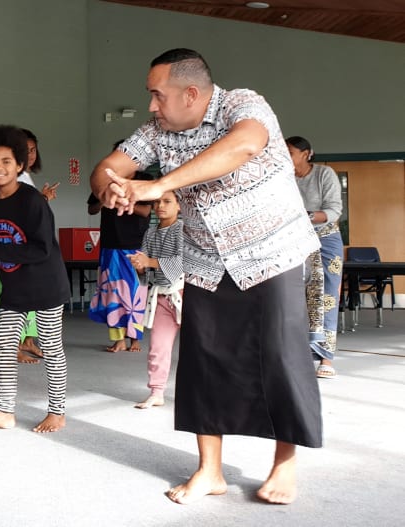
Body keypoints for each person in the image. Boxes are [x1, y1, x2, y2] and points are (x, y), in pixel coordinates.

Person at [92, 48, 321, 505]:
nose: (152, 106)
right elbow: (110, 166)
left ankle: (284, 464)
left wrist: (159, 185)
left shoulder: (244, 104)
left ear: (191, 93)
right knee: (203, 361)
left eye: (157, 95)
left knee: (279, 355)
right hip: (205, 260)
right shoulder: (156, 132)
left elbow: (244, 145)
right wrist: (112, 186)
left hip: (272, 251)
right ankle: (209, 470)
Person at [0, 125, 71, 434]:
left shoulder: (33, 202)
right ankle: (5, 412)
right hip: (14, 285)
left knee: (51, 347)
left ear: (20, 165)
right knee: (4, 344)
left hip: (47, 284)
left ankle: (58, 412)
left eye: (7, 162)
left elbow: (40, 249)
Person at [0, 129, 58, 363]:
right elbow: (17, 212)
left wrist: (42, 199)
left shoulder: (26, 177)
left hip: (29, 248)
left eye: (33, 149)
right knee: (16, 297)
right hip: (14, 247)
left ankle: (28, 341)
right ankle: (15, 347)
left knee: (30, 296)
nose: (30, 154)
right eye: (25, 149)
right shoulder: (11, 176)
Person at [286, 136, 343, 379]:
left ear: (306, 153)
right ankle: (299, 355)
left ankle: (326, 359)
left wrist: (304, 216)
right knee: (295, 296)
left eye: (289, 151)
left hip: (326, 240)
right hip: (294, 240)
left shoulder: (324, 174)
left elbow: (333, 210)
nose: (285, 156)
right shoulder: (283, 178)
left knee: (327, 296)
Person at [87, 143, 152, 354]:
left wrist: (120, 202)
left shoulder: (145, 180)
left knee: (136, 293)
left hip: (136, 246)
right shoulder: (105, 180)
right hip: (110, 245)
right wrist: (104, 199)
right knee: (113, 294)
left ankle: (134, 338)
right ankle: (118, 339)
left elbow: (145, 211)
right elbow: (91, 208)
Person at [127, 191, 183, 409]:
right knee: (158, 347)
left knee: (197, 349)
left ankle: (203, 392)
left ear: (179, 206)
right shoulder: (150, 233)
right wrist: (140, 266)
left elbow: (181, 262)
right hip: (160, 295)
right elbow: (145, 269)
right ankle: (157, 391)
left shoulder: (182, 230)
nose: (161, 205)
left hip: (186, 292)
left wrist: (148, 261)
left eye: (167, 201)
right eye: (157, 201)